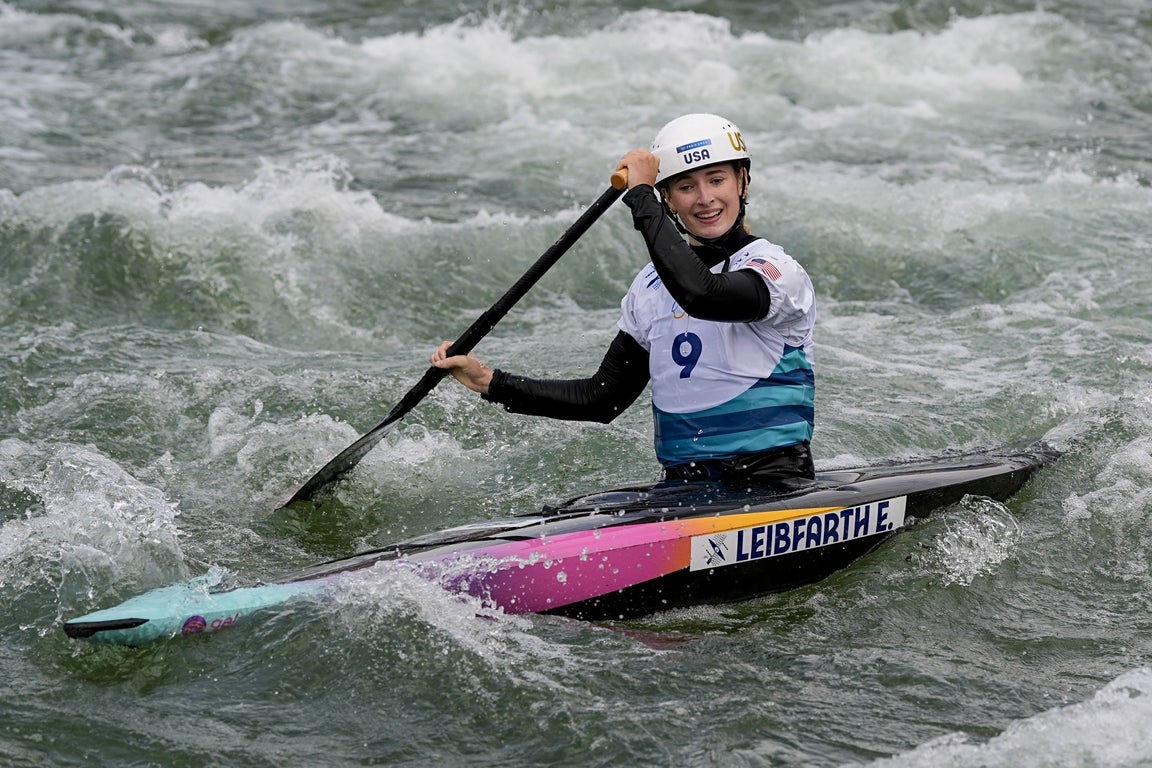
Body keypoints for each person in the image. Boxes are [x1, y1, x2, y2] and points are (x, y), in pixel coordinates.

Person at [431, 113, 816, 487]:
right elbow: (602, 398)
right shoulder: (649, 286)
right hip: (685, 486)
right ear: (669, 199)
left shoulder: (776, 271)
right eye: (685, 187)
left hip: (772, 481)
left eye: (717, 180)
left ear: (742, 182)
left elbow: (703, 295)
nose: (705, 199)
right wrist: (493, 382)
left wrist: (641, 198)